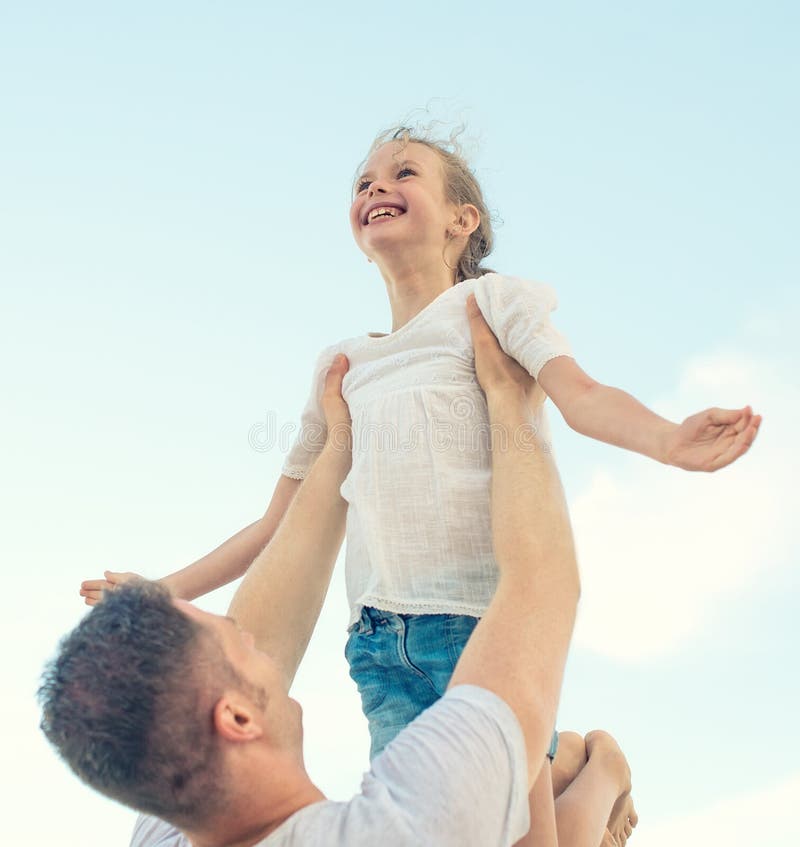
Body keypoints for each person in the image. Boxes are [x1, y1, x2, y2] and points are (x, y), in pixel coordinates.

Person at [80, 126, 758, 843]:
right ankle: (575, 764)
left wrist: (667, 439)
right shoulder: (340, 366)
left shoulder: (492, 306)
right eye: (364, 182)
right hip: (379, 644)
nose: (376, 186)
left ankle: (600, 769)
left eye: (403, 173)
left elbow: (581, 395)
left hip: (483, 626)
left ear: (463, 219)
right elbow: (278, 524)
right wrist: (164, 592)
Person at [45, 299, 629, 846]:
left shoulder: (172, 809)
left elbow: (264, 626)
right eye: (239, 644)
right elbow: (542, 583)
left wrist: (339, 450)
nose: (253, 638)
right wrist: (510, 404)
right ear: (237, 717)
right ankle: (603, 767)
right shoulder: (410, 825)